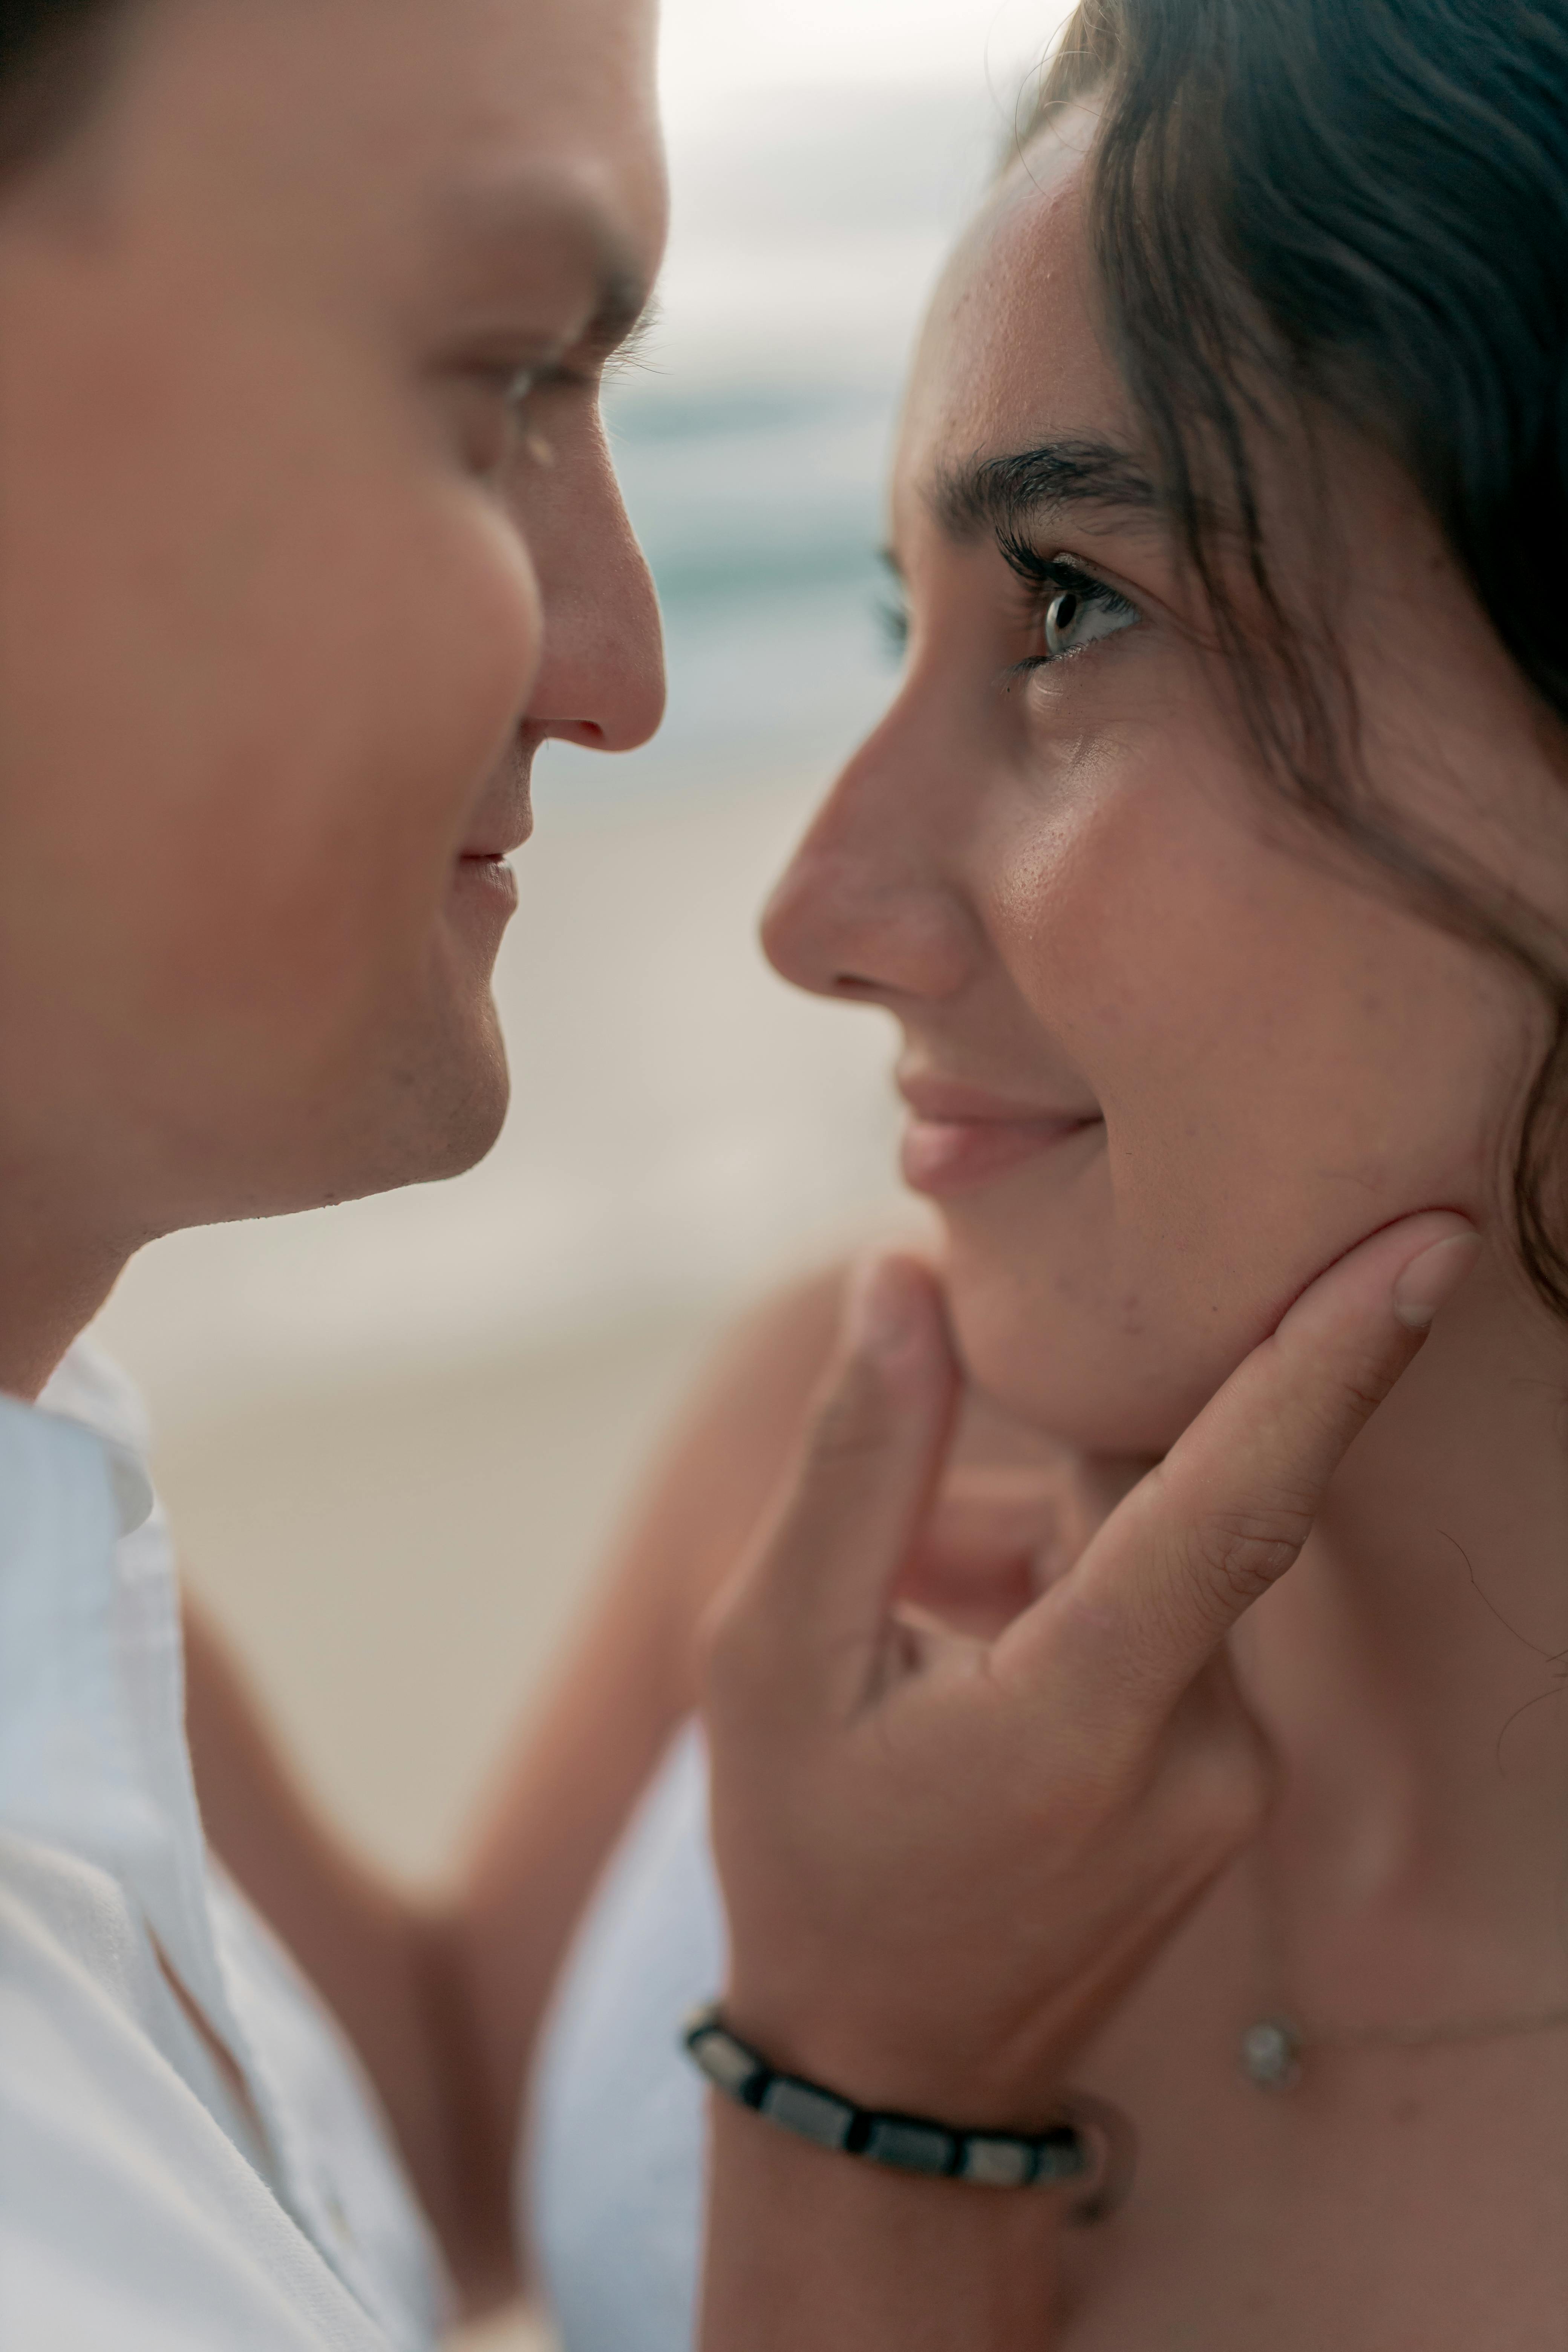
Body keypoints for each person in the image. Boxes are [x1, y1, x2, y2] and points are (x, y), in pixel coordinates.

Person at [0, 3, 1502, 2350]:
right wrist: (868, 2085)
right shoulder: (874, 1446)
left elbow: (335, 2157)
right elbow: (410, 2142)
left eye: (1071, 607)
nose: (813, 910)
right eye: (496, 380)